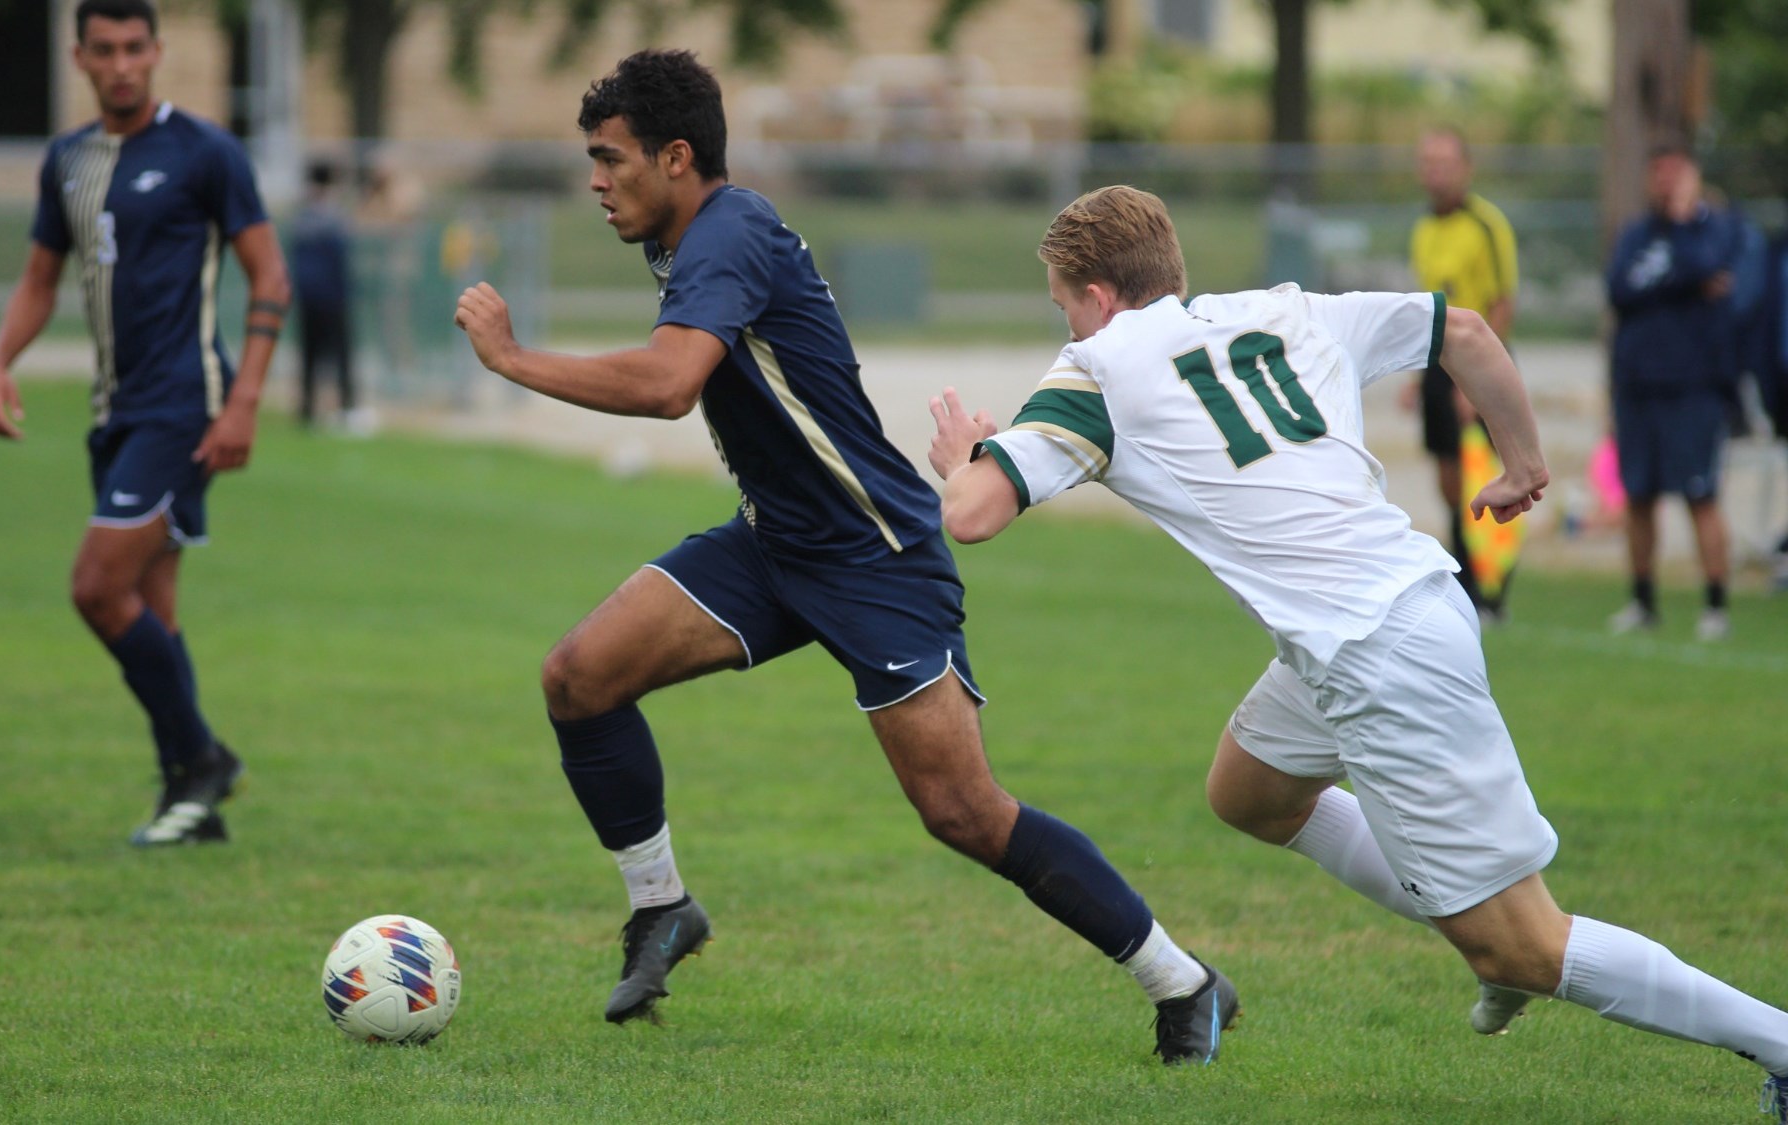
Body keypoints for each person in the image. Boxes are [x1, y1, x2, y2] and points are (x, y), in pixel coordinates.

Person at [928, 184, 1788, 1118]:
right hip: (1399, 606)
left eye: (1062, 302)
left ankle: (1764, 1039)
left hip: (1374, 655)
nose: (1067, 321)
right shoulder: (1288, 311)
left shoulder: (1098, 367)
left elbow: (971, 517)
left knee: (1527, 942)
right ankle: (1476, 922)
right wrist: (1525, 463)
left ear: (1094, 297)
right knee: (1249, 789)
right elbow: (1465, 332)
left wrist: (965, 458)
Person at [454, 50, 1237, 1060]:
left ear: (677, 157)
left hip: (875, 553)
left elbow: (666, 384)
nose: (595, 182)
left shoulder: (727, 228)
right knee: (579, 677)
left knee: (961, 812)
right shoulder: (695, 233)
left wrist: (514, 360)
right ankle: (661, 909)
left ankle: (1182, 983)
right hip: (775, 542)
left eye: (610, 160)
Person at [0, 0, 291, 846]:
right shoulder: (68, 160)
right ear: (79, 56)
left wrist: (245, 400)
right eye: (103, 50)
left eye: (134, 48)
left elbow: (271, 278)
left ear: (157, 52)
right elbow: (41, 280)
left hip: (184, 407)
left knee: (95, 586)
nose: (120, 63)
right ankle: (189, 805)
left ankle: (201, 754)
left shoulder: (205, 153)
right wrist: (0, 360)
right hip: (114, 410)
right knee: (152, 605)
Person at [1604, 143, 1743, 640]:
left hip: (1694, 387)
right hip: (1639, 385)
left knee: (1699, 493)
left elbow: (1711, 269)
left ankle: (1715, 606)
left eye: (1675, 172)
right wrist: (1682, 284)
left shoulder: (1717, 227)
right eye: (1657, 172)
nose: (1665, 182)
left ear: (1693, 176)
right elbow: (1619, 290)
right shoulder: (1636, 233)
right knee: (1638, 495)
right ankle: (1642, 601)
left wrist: (1684, 227)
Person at [1408, 125, 1519, 621]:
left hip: (1479, 367)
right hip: (1438, 366)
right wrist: (1416, 377)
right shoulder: (1424, 230)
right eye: (1429, 162)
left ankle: (1495, 586)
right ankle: (1465, 577)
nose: (1436, 172)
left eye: (1445, 162)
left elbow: (1502, 303)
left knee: (1488, 472)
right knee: (1448, 475)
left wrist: (1478, 380)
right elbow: (1426, 309)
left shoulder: (1487, 225)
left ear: (1465, 168)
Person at [291, 159, 361, 431]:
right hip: (332, 297)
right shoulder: (333, 218)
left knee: (309, 356)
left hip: (307, 297)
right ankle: (346, 408)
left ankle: (308, 410)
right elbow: (341, 257)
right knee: (340, 355)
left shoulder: (301, 217)